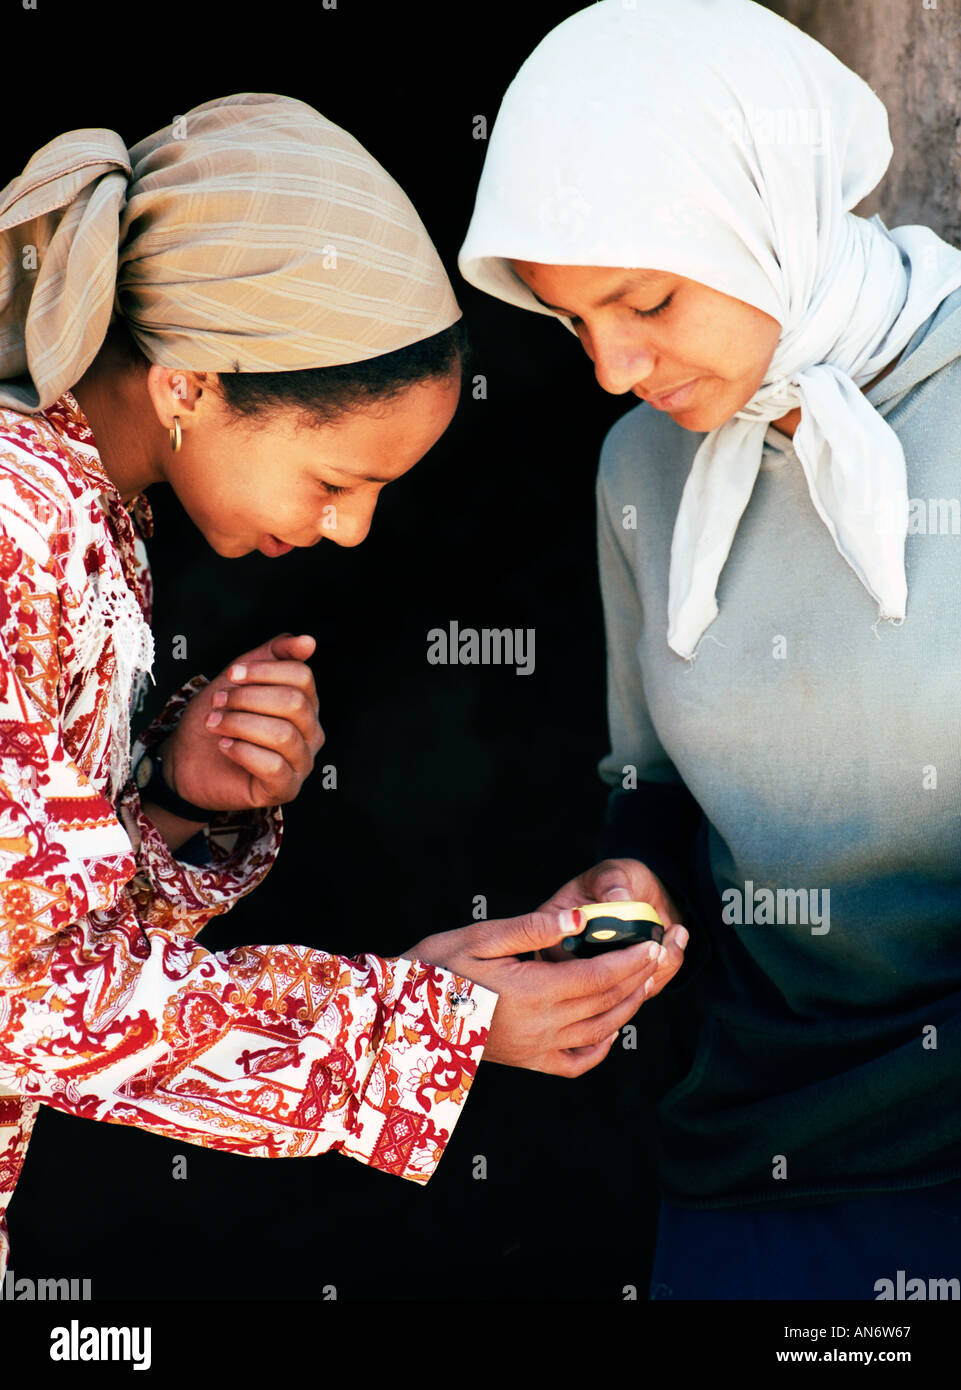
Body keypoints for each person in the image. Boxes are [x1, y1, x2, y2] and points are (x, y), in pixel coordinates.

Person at [0, 91, 686, 1285]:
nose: (354, 532)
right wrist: (425, 1025)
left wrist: (175, 801)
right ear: (194, 383)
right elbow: (30, 1002)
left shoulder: (85, 515)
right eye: (336, 480)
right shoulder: (23, 523)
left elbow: (43, 942)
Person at [459, 0, 961, 1299]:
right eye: (574, 322)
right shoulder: (644, 467)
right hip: (756, 1149)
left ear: (769, 211)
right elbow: (659, 788)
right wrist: (638, 874)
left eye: (647, 301)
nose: (616, 367)